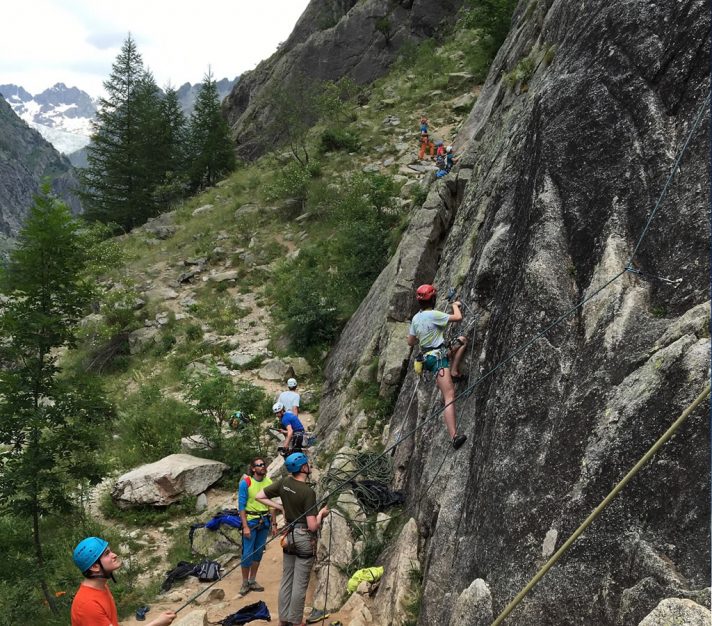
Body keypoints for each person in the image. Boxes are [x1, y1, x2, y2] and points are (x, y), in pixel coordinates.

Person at [256, 453, 329, 626]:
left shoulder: (284, 483)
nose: (309, 466)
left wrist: (281, 507)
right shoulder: (307, 492)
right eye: (307, 464)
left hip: (289, 536)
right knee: (300, 583)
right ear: (303, 468)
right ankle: (296, 621)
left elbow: (259, 496)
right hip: (304, 537)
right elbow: (312, 526)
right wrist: (320, 514)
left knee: (287, 578)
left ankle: (284, 620)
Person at [407, 283, 468, 450]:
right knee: (449, 396)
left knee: (461, 340)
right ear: (433, 299)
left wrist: (424, 334)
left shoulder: (416, 318)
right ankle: (454, 436)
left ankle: (454, 371)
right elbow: (458, 317)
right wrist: (455, 305)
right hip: (439, 359)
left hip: (427, 359)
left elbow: (410, 341)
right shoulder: (434, 314)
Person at [71, 537, 176, 626]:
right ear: (94, 566)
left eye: (110, 551)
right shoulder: (88, 605)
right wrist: (157, 623)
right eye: (107, 554)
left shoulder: (100, 588)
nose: (114, 555)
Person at [238, 457, 278, 596]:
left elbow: (271, 504)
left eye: (263, 464)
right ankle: (244, 582)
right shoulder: (246, 483)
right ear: (253, 468)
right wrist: (245, 526)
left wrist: (274, 523)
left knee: (258, 552)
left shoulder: (268, 482)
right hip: (251, 521)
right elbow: (241, 506)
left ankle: (252, 580)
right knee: (247, 553)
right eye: (259, 465)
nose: (262, 466)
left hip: (264, 520)